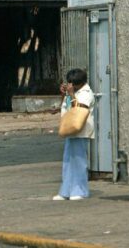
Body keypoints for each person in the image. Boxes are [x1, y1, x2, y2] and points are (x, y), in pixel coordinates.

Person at [54, 68, 95, 201]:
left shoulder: (86, 93)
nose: (71, 86)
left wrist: (71, 95)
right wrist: (64, 94)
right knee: (68, 161)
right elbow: (65, 107)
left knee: (78, 161)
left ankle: (80, 190)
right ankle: (66, 191)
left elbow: (79, 109)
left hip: (81, 131)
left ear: (81, 83)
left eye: (74, 83)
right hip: (70, 130)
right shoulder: (74, 92)